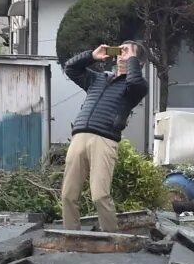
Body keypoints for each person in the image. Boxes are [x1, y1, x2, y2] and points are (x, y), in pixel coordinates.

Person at [60, 40, 150, 232]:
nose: (121, 56)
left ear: (138, 62)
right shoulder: (97, 79)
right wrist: (91, 56)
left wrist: (132, 58)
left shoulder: (137, 86)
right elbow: (70, 68)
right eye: (120, 51)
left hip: (105, 140)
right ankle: (71, 237)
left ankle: (111, 239)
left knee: (100, 195)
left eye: (126, 53)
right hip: (79, 136)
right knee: (68, 194)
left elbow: (134, 81)